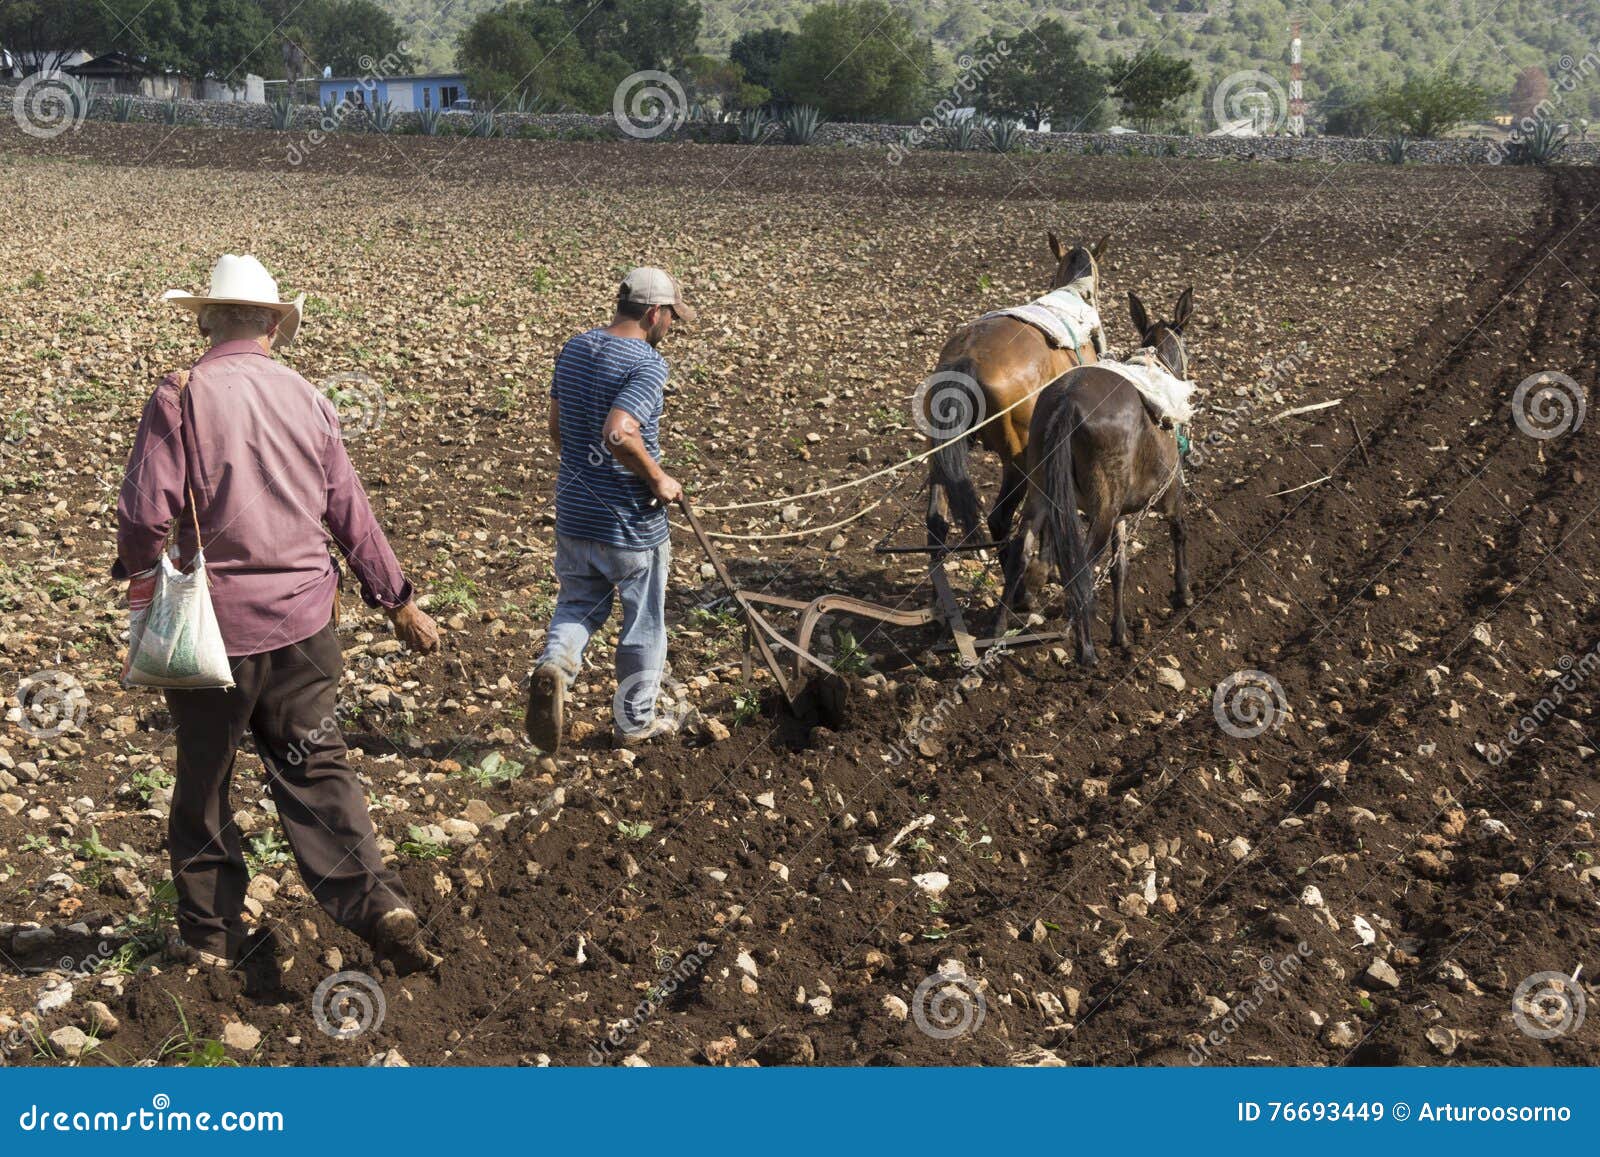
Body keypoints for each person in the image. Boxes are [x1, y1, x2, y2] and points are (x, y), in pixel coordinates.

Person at [114, 254, 442, 977]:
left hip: (211, 640)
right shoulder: (309, 398)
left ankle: (209, 935)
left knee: (205, 782)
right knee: (317, 769)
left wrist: (143, 578)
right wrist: (399, 601)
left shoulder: (180, 396)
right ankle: (378, 903)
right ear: (271, 323)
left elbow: (143, 518)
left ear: (206, 320)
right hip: (303, 628)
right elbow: (351, 513)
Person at [525, 267, 694, 754]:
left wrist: (586, 472)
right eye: (671, 319)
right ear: (654, 313)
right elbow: (619, 432)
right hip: (631, 525)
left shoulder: (576, 347)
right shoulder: (645, 362)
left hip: (576, 515)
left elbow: (556, 428)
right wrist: (658, 478)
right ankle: (634, 721)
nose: (670, 329)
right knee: (644, 620)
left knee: (579, 603)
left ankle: (555, 667)